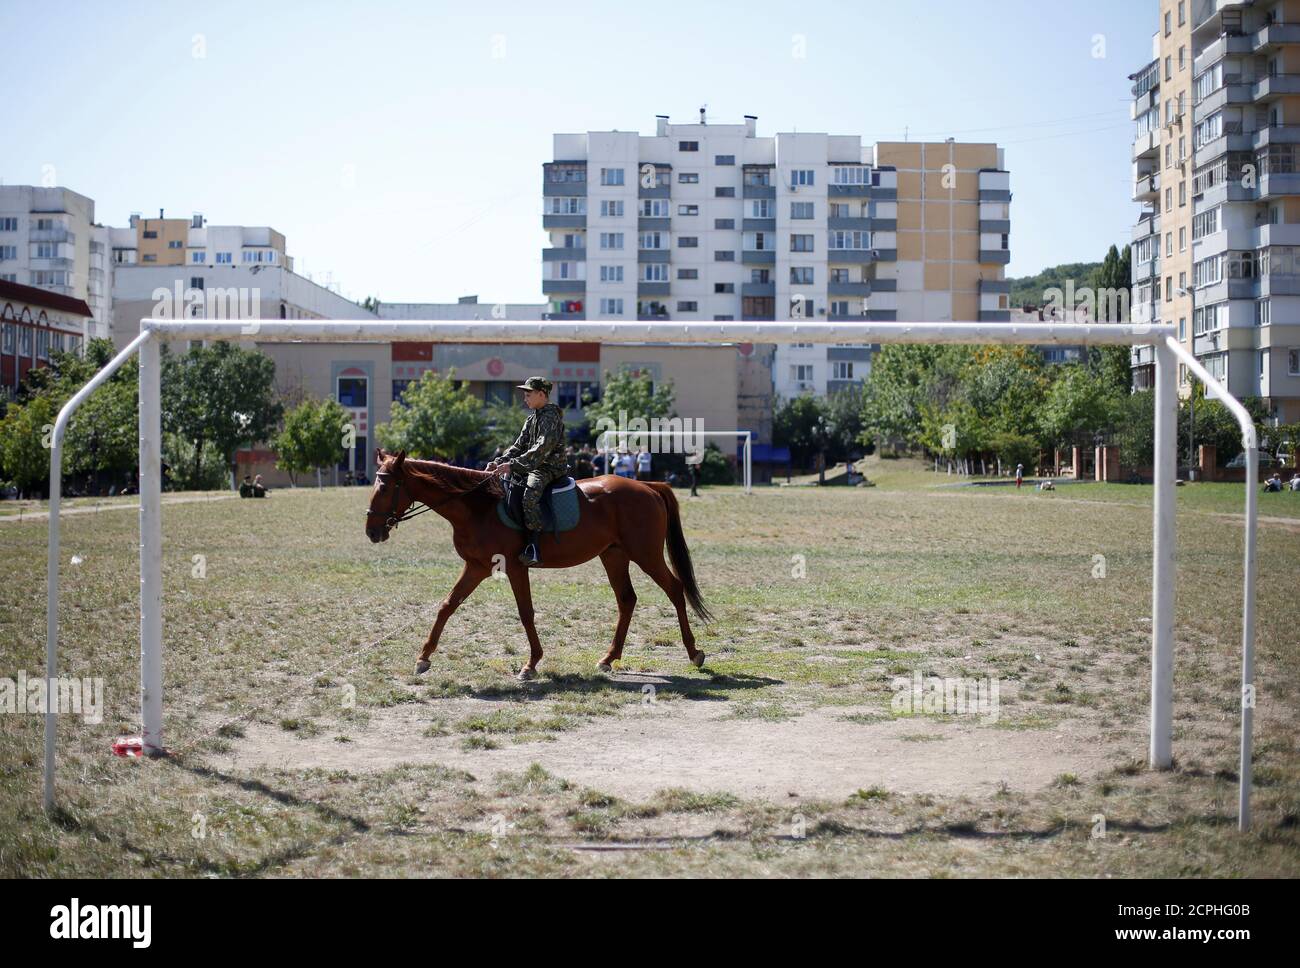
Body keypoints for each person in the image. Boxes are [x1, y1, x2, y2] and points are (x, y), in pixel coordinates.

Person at [484, 376, 569, 567]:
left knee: (529, 495)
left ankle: (534, 547)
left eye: (528, 394)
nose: (525, 398)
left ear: (542, 394)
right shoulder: (532, 418)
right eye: (525, 395)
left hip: (549, 467)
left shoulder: (551, 416)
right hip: (531, 465)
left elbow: (541, 448)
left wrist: (513, 465)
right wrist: (499, 461)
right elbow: (518, 446)